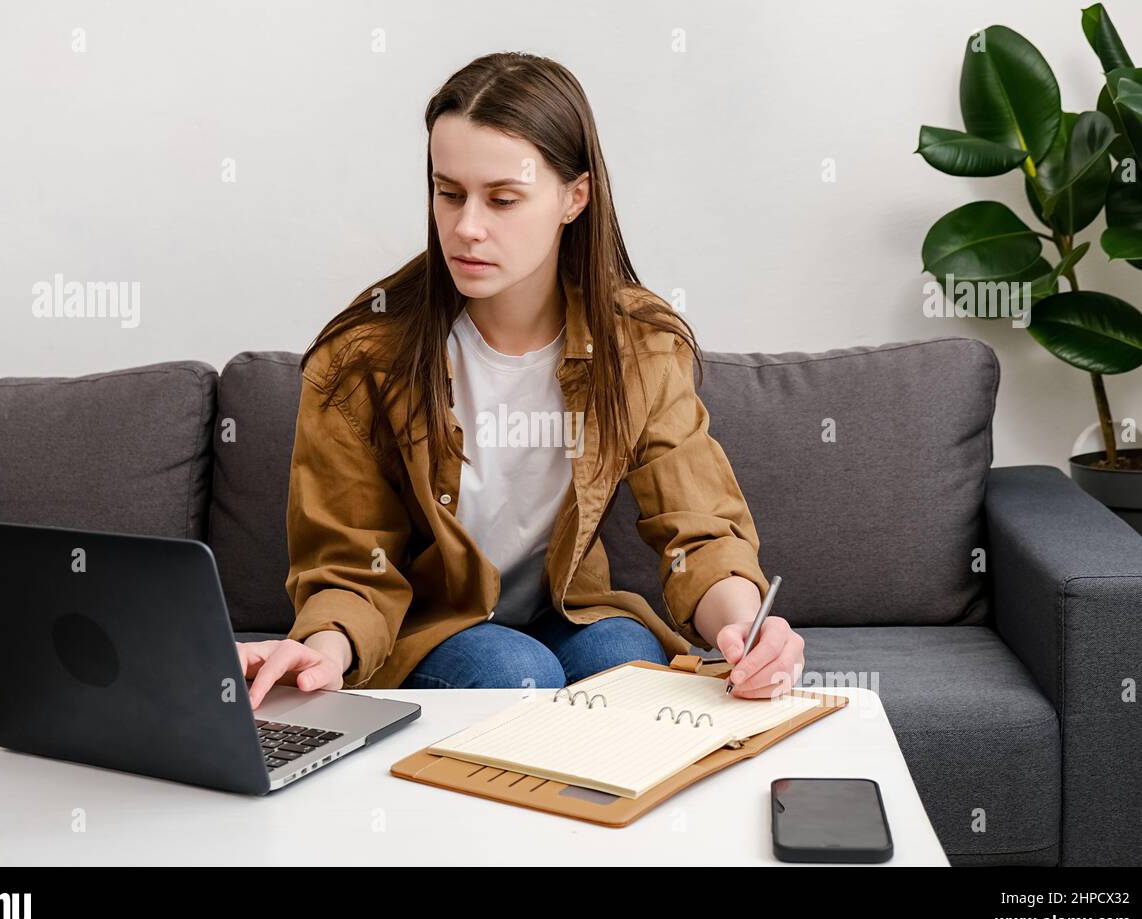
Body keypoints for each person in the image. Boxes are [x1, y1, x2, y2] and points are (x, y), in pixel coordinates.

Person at [242, 52, 804, 706]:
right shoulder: (361, 357)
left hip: (565, 611)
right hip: (430, 627)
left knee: (626, 659)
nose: (466, 227)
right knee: (516, 671)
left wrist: (746, 629)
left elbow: (699, 531)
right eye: (447, 193)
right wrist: (323, 651)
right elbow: (347, 569)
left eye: (503, 199)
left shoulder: (639, 345)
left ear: (575, 197)